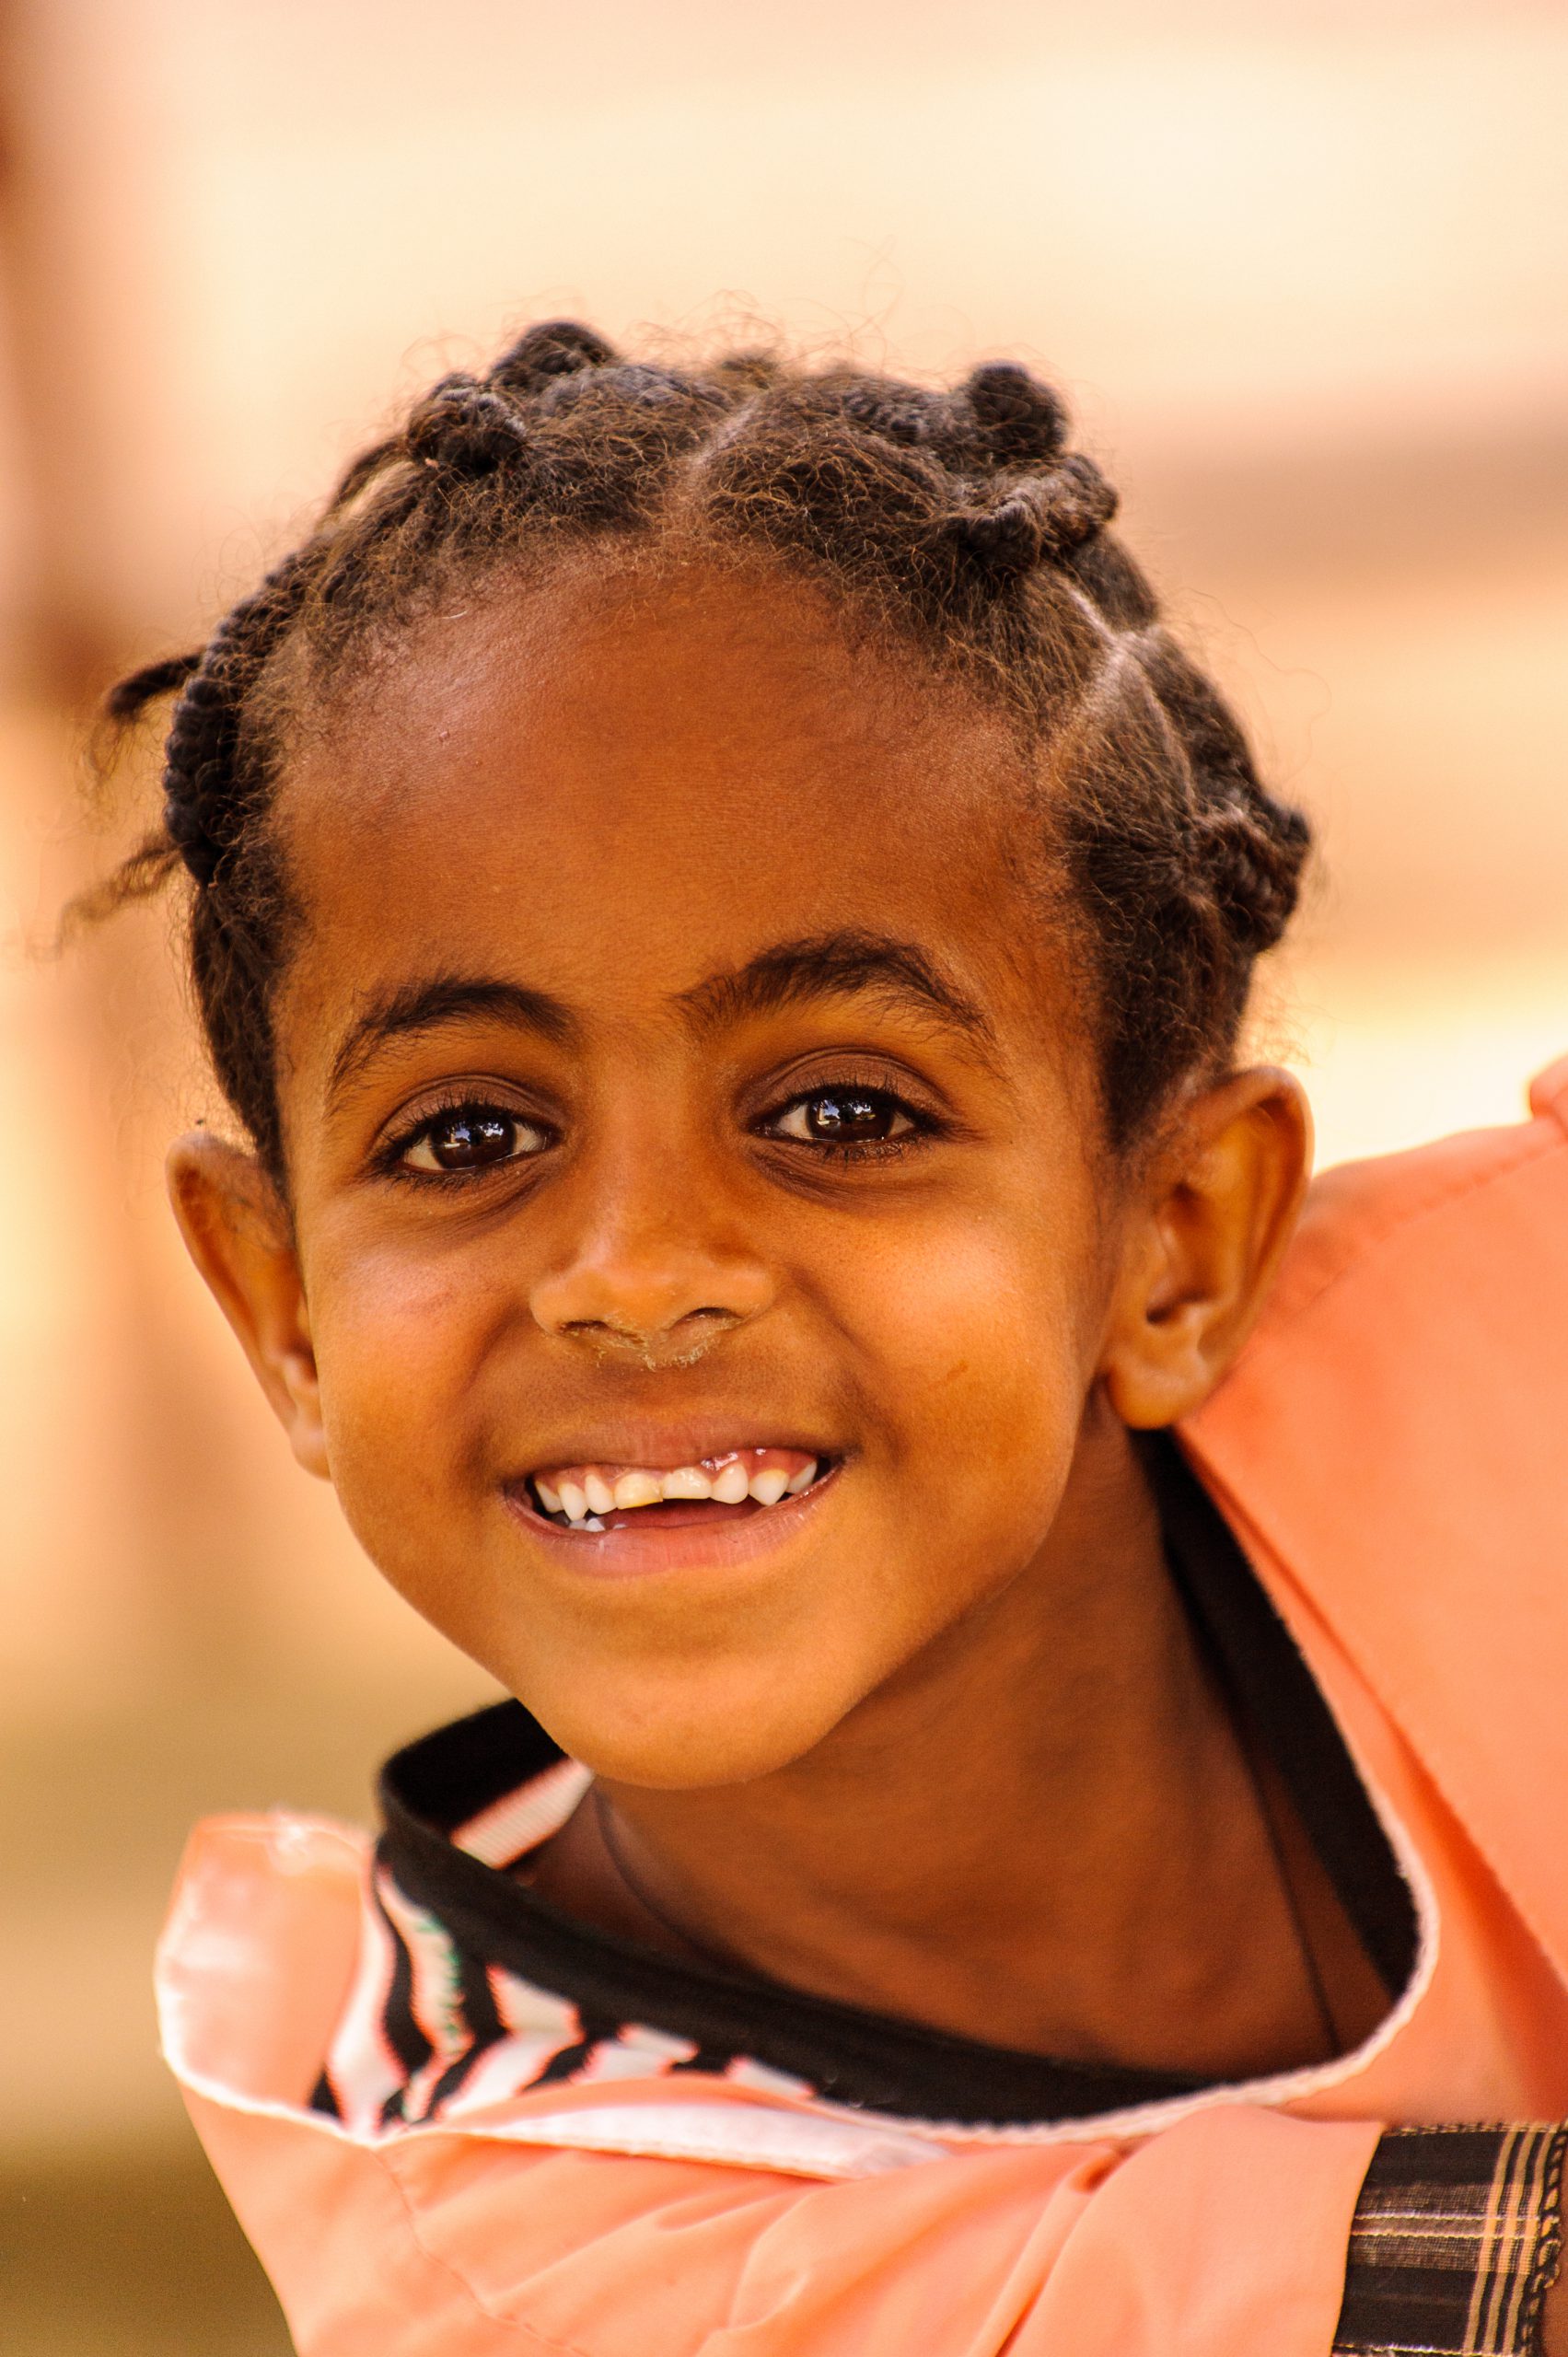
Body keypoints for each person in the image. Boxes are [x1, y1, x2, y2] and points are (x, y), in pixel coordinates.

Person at [87, 320, 1568, 2356]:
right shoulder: (546, 2273)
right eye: (472, 1135)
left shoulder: (1521, 1368)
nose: (636, 1267)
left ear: (1176, 1236)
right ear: (283, 1310)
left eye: (842, 1112)